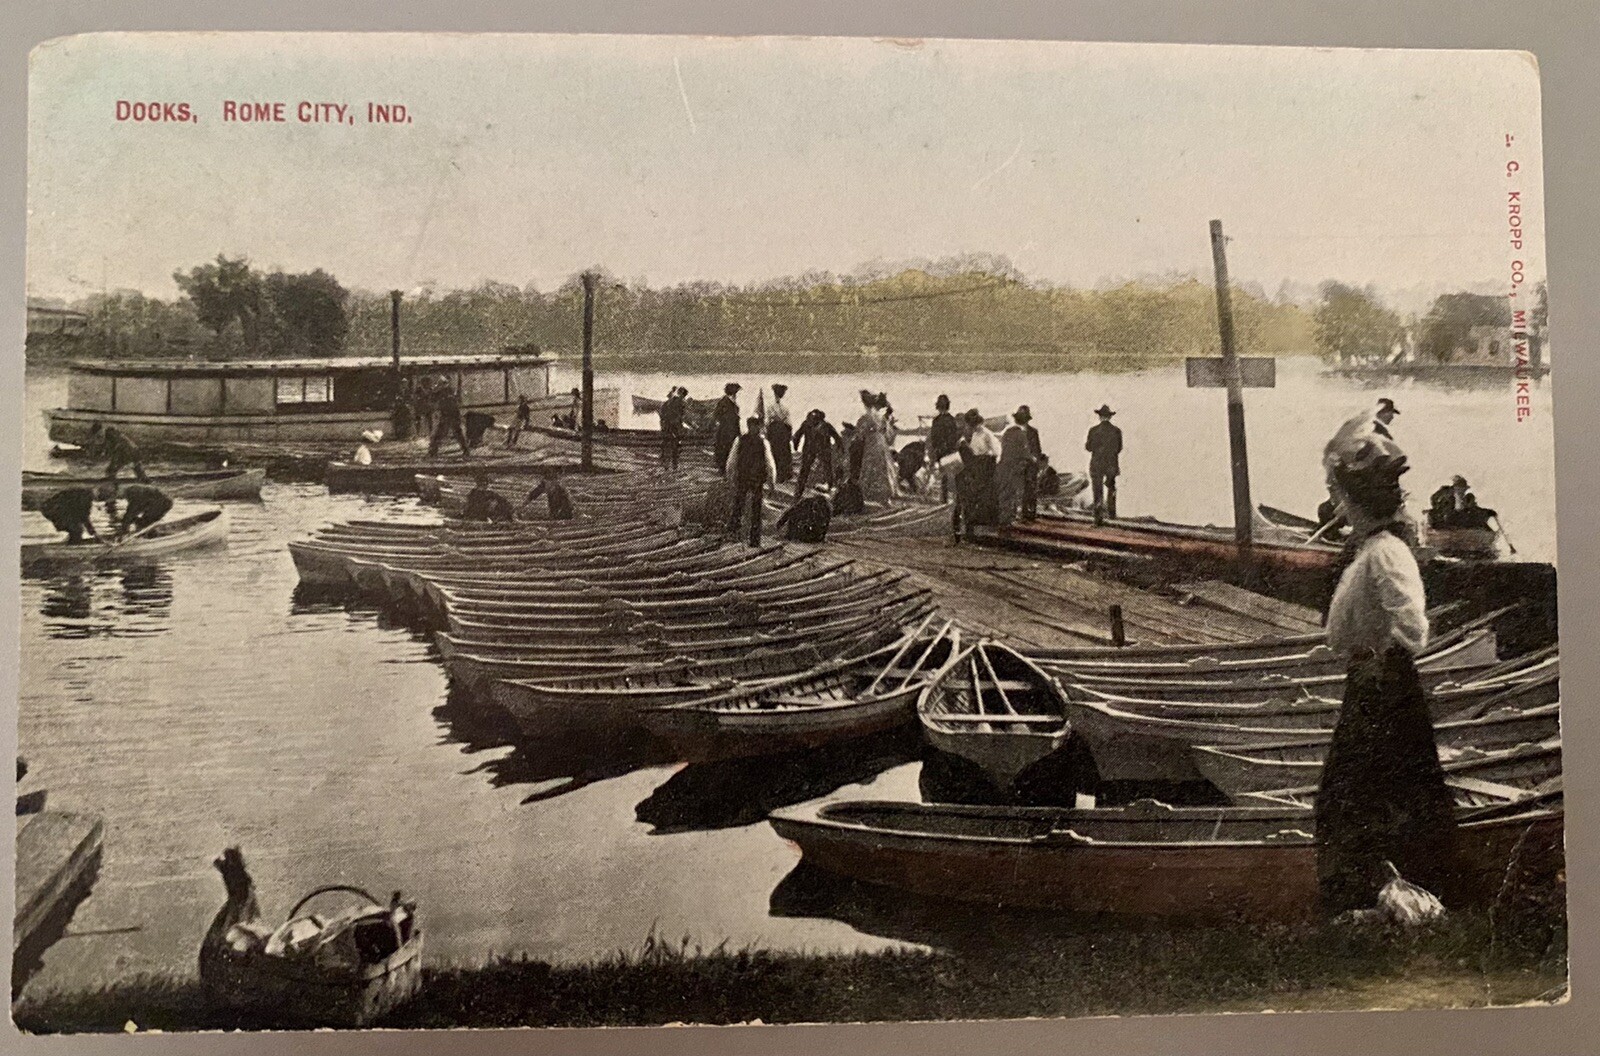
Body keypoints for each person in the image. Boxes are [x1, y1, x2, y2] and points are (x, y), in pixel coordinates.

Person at [1314, 442, 1460, 916]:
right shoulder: (1370, 550)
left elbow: (1413, 627)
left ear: (1358, 501)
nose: (1337, 506)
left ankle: (1398, 902)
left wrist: (1377, 659)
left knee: (1357, 799)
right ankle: (1381, 903)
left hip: (1384, 687)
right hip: (1374, 684)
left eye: (1341, 497)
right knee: (1361, 798)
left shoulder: (1386, 552)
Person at [724, 416, 776, 546]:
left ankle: (734, 534)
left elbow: (731, 462)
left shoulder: (741, 440)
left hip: (747, 479)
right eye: (755, 426)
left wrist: (730, 478)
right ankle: (753, 540)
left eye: (756, 426)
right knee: (752, 508)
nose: (755, 428)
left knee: (741, 505)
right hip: (753, 479)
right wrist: (771, 484)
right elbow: (770, 465)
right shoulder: (761, 442)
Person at [952, 409, 1001, 542]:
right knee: (969, 500)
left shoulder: (986, 434)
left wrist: (986, 459)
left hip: (984, 469)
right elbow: (971, 453)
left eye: (975, 424)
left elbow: (996, 452)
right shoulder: (971, 435)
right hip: (974, 470)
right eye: (971, 425)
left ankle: (979, 530)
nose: (973, 427)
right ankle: (968, 530)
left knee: (981, 500)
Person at [997, 405, 1042, 524]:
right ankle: (1014, 516)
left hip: (1028, 465)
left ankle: (1029, 515)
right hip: (1018, 465)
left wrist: (1036, 462)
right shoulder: (1013, 432)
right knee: (1015, 491)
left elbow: (1037, 449)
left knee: (1030, 489)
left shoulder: (1033, 432)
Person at [852, 390, 894, 504]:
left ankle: (868, 495)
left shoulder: (865, 418)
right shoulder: (880, 417)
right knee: (882, 467)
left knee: (869, 467)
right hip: (881, 443)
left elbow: (859, 435)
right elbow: (888, 434)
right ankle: (885, 497)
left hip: (871, 444)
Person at [1085, 404, 1122, 521]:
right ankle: (1112, 514)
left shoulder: (1093, 430)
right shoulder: (1116, 431)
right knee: (1111, 488)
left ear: (1100, 417)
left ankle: (1098, 516)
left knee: (1097, 490)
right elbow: (1119, 448)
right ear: (1110, 417)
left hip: (1097, 464)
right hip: (1111, 464)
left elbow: (1089, 447)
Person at [793, 409, 841, 493]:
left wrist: (795, 445)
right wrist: (795, 445)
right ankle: (799, 490)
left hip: (821, 448)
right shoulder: (808, 424)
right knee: (806, 469)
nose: (813, 421)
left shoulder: (824, 425)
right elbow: (797, 435)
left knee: (825, 467)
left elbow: (836, 437)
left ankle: (800, 490)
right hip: (812, 449)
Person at [926, 395, 962, 503]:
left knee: (943, 475)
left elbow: (934, 438)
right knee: (950, 475)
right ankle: (949, 498)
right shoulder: (951, 420)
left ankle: (944, 498)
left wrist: (936, 450)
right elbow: (954, 437)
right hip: (949, 450)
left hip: (940, 450)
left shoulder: (936, 420)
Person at [109, 482, 174, 540]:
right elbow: (135, 509)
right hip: (153, 503)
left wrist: (124, 528)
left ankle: (153, 537)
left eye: (116, 495)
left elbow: (132, 510)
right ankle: (149, 534)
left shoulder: (133, 492)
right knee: (139, 521)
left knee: (144, 522)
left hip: (163, 502)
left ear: (117, 491)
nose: (118, 497)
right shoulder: (129, 491)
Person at [428, 385, 471, 458]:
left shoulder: (446, 397)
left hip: (449, 416)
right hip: (448, 416)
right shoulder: (447, 397)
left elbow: (433, 400)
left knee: (445, 433)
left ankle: (433, 451)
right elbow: (433, 400)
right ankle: (465, 450)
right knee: (455, 433)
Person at [712, 383, 743, 475]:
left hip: (732, 429)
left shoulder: (731, 401)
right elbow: (716, 415)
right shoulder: (724, 402)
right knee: (724, 449)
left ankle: (727, 469)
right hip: (726, 430)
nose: (736, 394)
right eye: (735, 391)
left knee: (730, 448)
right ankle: (723, 469)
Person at [659, 387, 687, 470]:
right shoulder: (680, 403)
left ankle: (666, 464)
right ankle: (674, 465)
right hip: (674, 428)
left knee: (666, 445)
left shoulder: (667, 403)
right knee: (674, 446)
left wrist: (663, 426)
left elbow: (662, 416)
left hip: (667, 427)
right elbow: (681, 417)